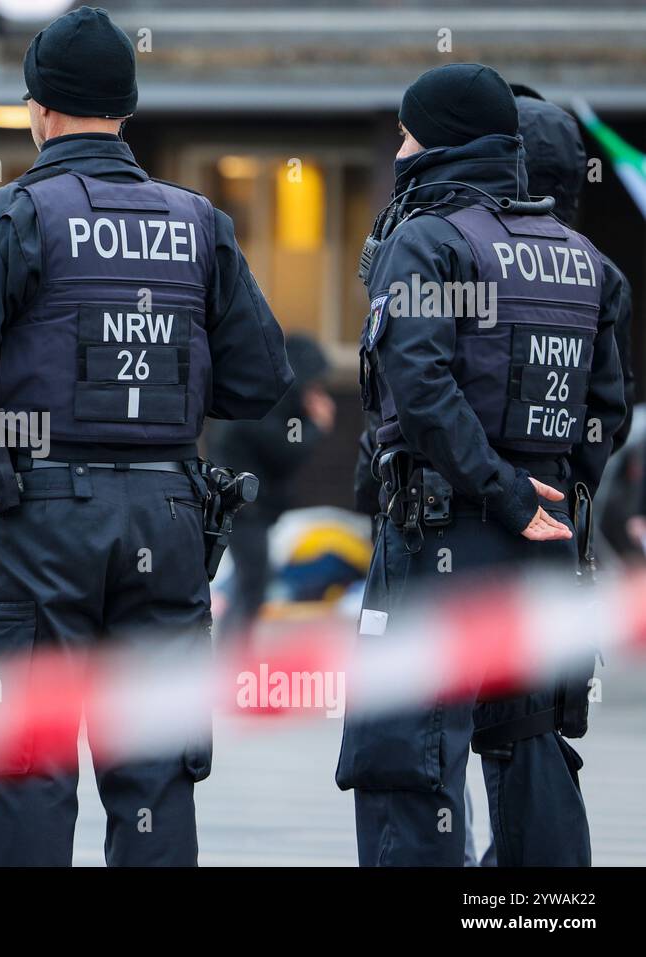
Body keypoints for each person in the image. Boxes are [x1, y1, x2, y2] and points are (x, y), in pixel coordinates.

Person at [0, 6, 292, 866]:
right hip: (170, 514)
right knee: (153, 768)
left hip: (38, 519)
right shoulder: (198, 223)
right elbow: (261, 381)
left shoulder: (10, 218)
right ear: (128, 107)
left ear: (38, 109)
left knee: (27, 760)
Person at [335, 65, 627, 866]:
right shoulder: (585, 259)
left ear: (439, 141)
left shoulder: (428, 240)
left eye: (404, 134)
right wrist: (553, 500)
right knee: (530, 742)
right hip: (546, 549)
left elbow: (418, 385)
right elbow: (608, 410)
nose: (397, 150)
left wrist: (499, 492)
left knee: (406, 754)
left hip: (441, 539)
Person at [207, 334, 333, 644]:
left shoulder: (274, 397)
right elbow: (282, 448)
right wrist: (316, 426)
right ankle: (233, 655)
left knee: (249, 581)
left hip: (249, 507)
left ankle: (233, 650)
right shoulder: (268, 402)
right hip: (245, 509)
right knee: (254, 583)